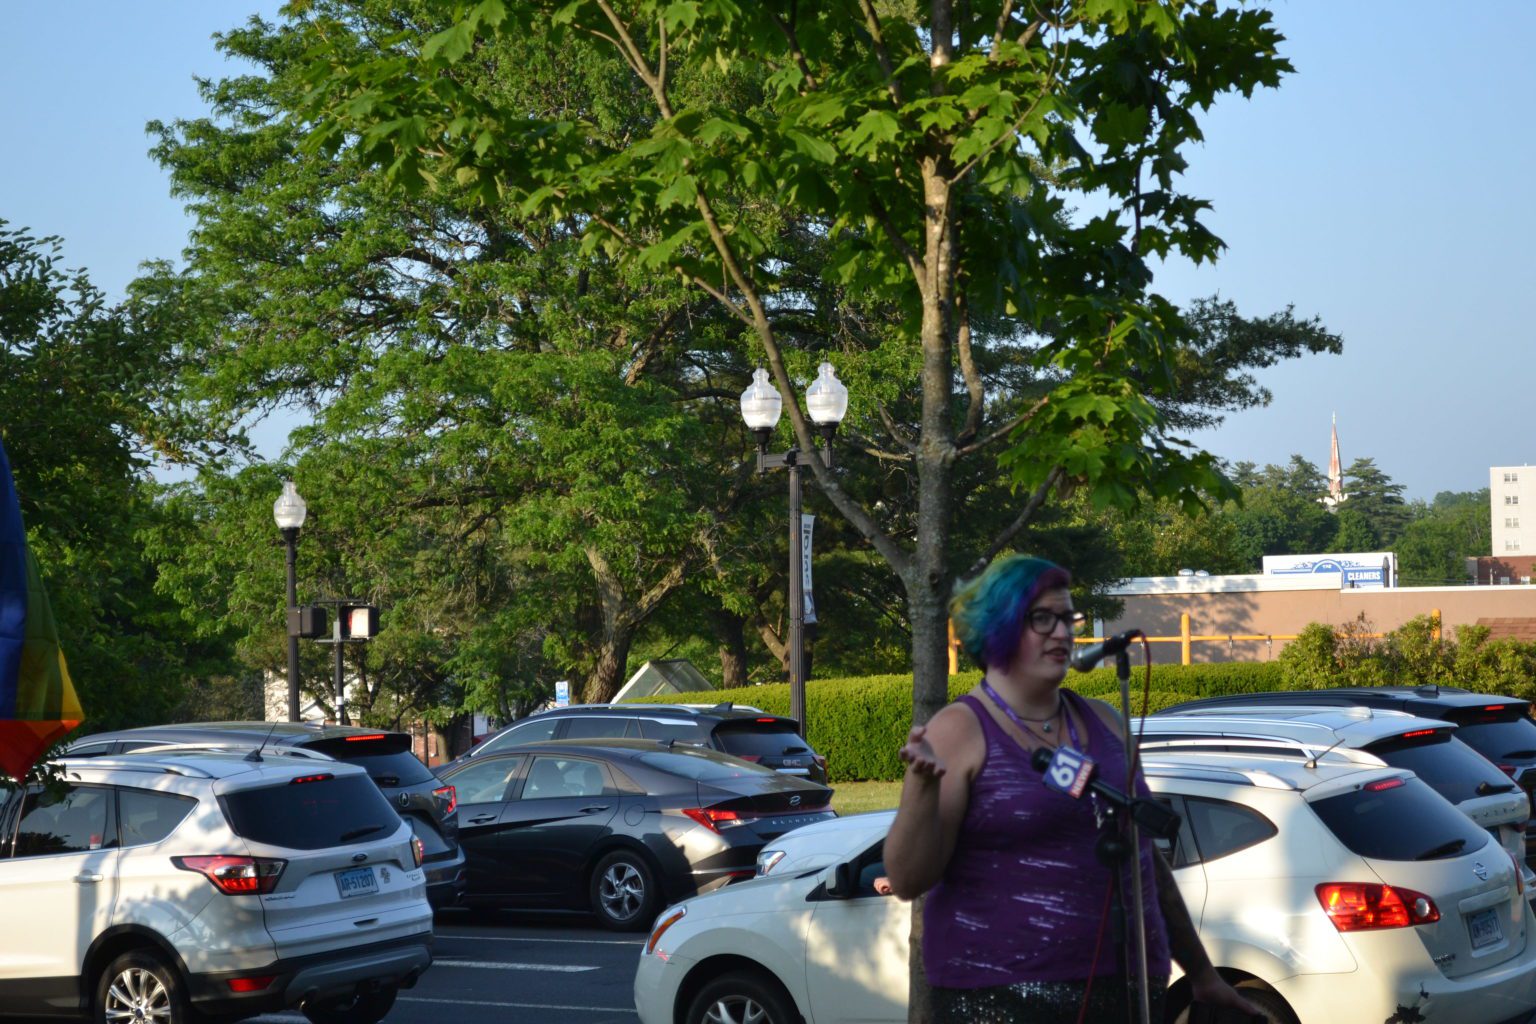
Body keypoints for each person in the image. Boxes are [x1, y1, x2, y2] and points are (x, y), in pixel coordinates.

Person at [883, 554, 1259, 1023]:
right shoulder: (960, 730)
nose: (1062, 633)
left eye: (1067, 618)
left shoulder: (1104, 722)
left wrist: (1202, 973)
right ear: (1000, 626)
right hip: (998, 998)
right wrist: (921, 788)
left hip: (1126, 989)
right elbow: (907, 879)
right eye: (1043, 619)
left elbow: (1144, 861)